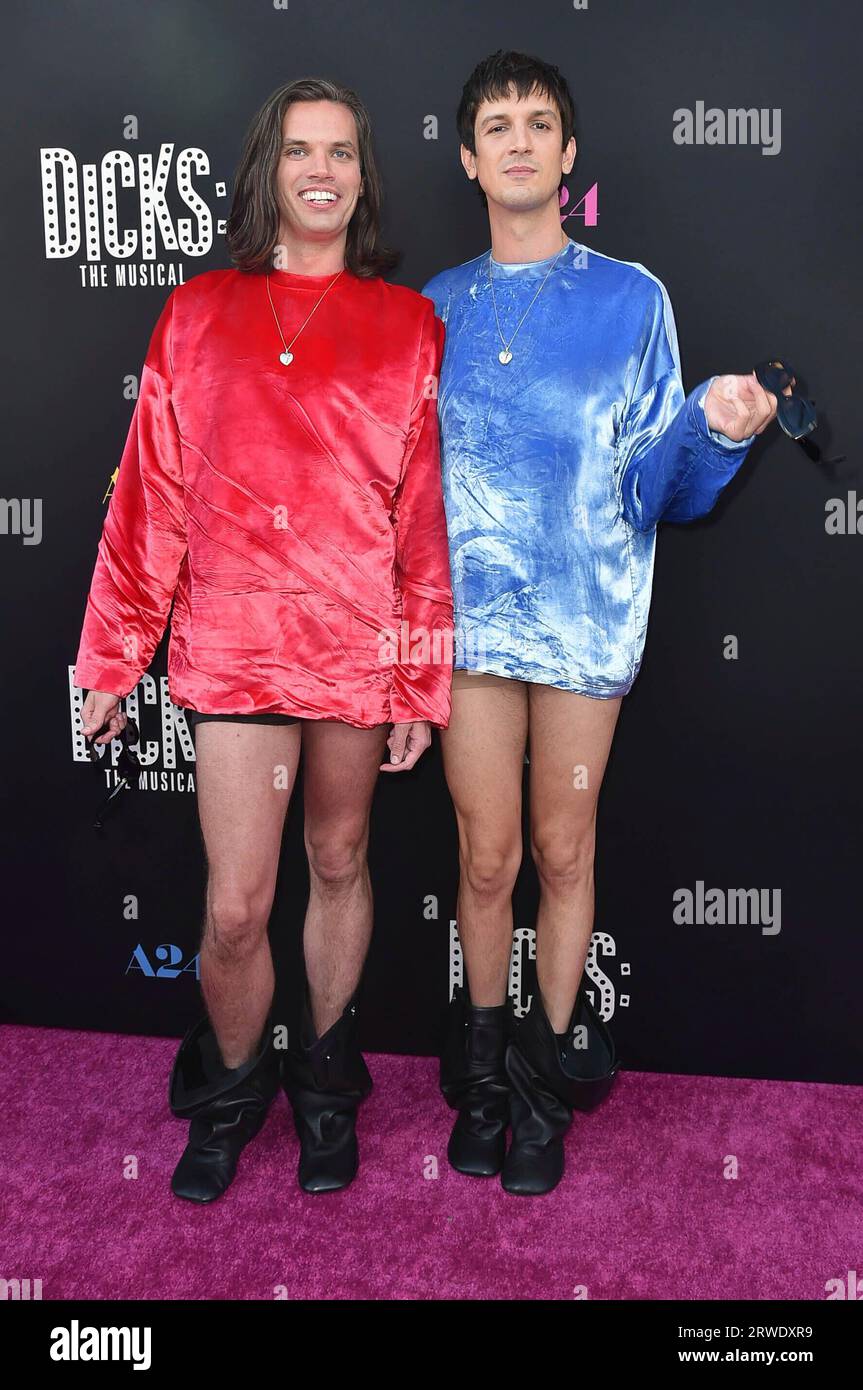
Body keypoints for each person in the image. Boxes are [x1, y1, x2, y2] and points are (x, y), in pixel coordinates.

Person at [73, 78, 453, 1201]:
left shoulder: (407, 324)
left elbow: (421, 522)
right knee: (237, 905)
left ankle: (326, 1083)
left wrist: (418, 679)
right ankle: (233, 1090)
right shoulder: (196, 313)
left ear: (362, 177)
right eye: (299, 150)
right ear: (267, 170)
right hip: (234, 648)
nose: (320, 171)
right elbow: (149, 501)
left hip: (351, 647)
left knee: (338, 861)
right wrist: (111, 658)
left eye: (340, 151)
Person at [423, 50, 793, 1196]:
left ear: (568, 153)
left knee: (560, 850)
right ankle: (482, 1081)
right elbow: (403, 496)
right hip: (471, 634)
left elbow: (653, 490)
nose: (519, 141)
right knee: (484, 859)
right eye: (497, 125)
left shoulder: (632, 300)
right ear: (468, 156)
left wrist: (711, 429)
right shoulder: (430, 308)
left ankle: (541, 1088)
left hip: (583, 628)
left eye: (538, 123)